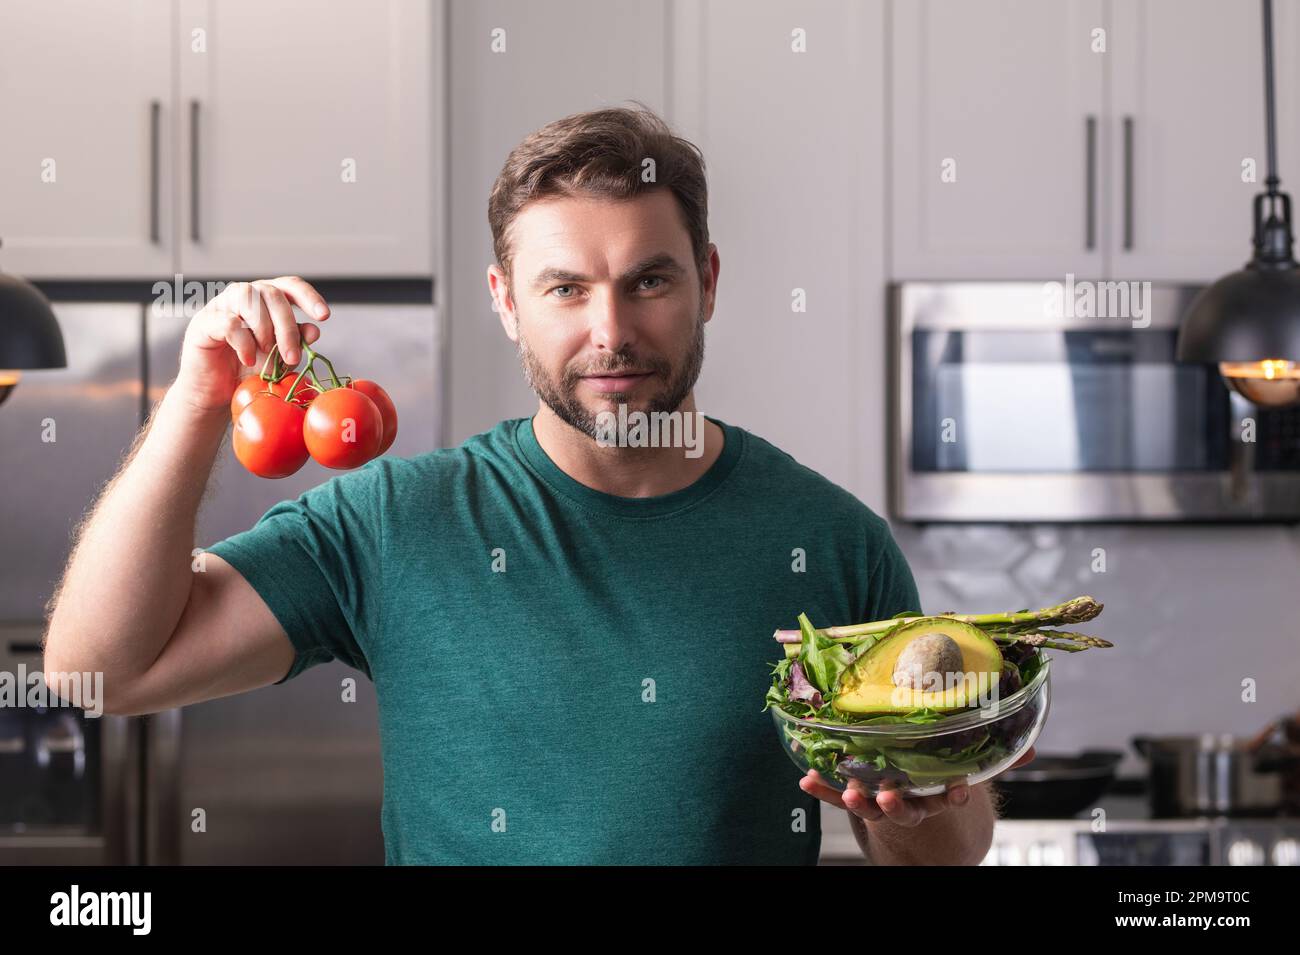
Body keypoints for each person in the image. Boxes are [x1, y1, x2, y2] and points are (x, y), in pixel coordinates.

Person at [43, 104, 1032, 865]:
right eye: (565, 288)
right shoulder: (393, 522)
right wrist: (198, 402)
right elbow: (99, 672)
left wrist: (929, 800)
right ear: (505, 302)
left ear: (709, 282)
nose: (610, 330)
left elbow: (945, 850)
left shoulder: (829, 539)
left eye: (649, 279)